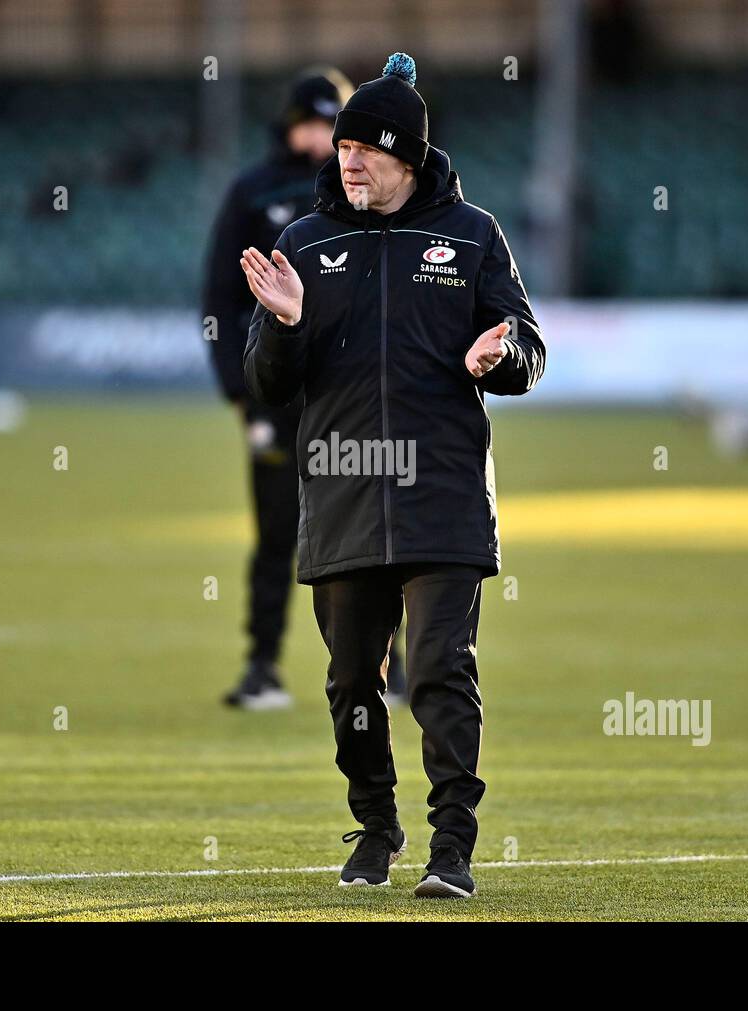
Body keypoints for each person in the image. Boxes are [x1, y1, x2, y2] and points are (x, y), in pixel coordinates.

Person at [241, 54, 545, 898]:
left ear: (408, 158)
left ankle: (453, 847)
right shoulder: (303, 244)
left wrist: (503, 353)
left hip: (443, 494)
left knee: (443, 670)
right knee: (351, 685)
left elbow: (530, 345)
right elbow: (267, 380)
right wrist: (285, 327)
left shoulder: (473, 236)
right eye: (343, 150)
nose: (350, 163)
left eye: (367, 151)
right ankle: (376, 825)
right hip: (342, 494)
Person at [203, 67, 409, 710]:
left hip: (344, 396)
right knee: (274, 532)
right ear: (289, 124)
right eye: (312, 124)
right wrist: (239, 391)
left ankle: (389, 664)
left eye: (335, 128)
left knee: (369, 529)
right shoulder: (252, 191)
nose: (323, 140)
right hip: (273, 390)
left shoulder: (366, 199)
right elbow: (218, 297)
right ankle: (261, 666)